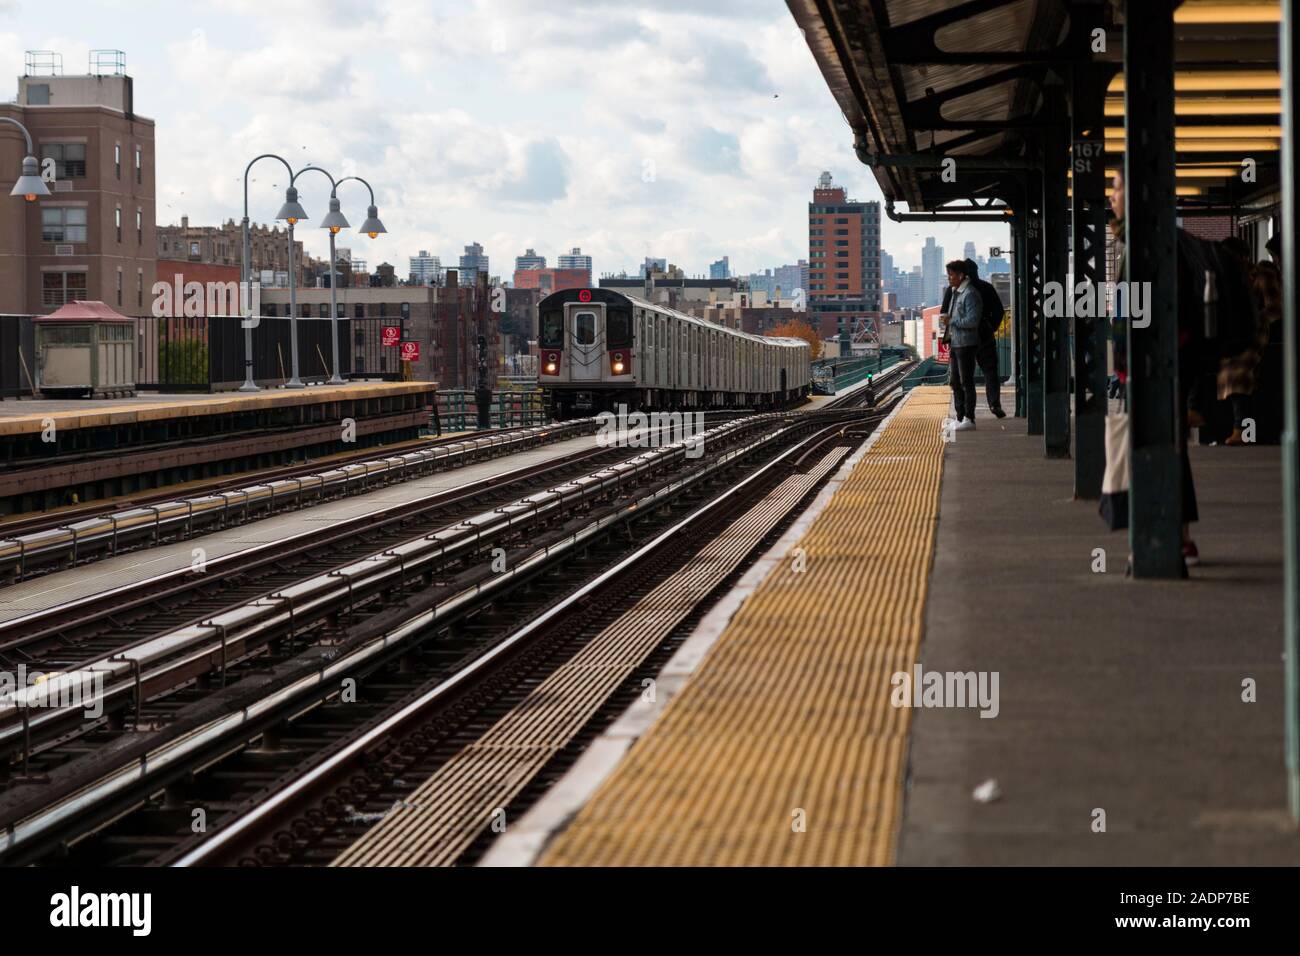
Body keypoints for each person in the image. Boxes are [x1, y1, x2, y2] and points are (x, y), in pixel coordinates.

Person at [963, 257, 1008, 417]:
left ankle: (966, 412)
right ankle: (994, 404)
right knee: (991, 372)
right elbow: (999, 311)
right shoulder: (986, 287)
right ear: (977, 271)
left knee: (965, 376)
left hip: (964, 339)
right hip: (984, 335)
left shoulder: (958, 291)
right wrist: (990, 327)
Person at [945, 260, 983, 430]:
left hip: (966, 343)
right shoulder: (956, 293)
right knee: (955, 381)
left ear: (961, 275)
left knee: (966, 381)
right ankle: (960, 417)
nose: (949, 278)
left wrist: (951, 320)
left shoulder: (970, 294)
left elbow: (973, 321)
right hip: (956, 342)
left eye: (951, 275)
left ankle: (969, 418)